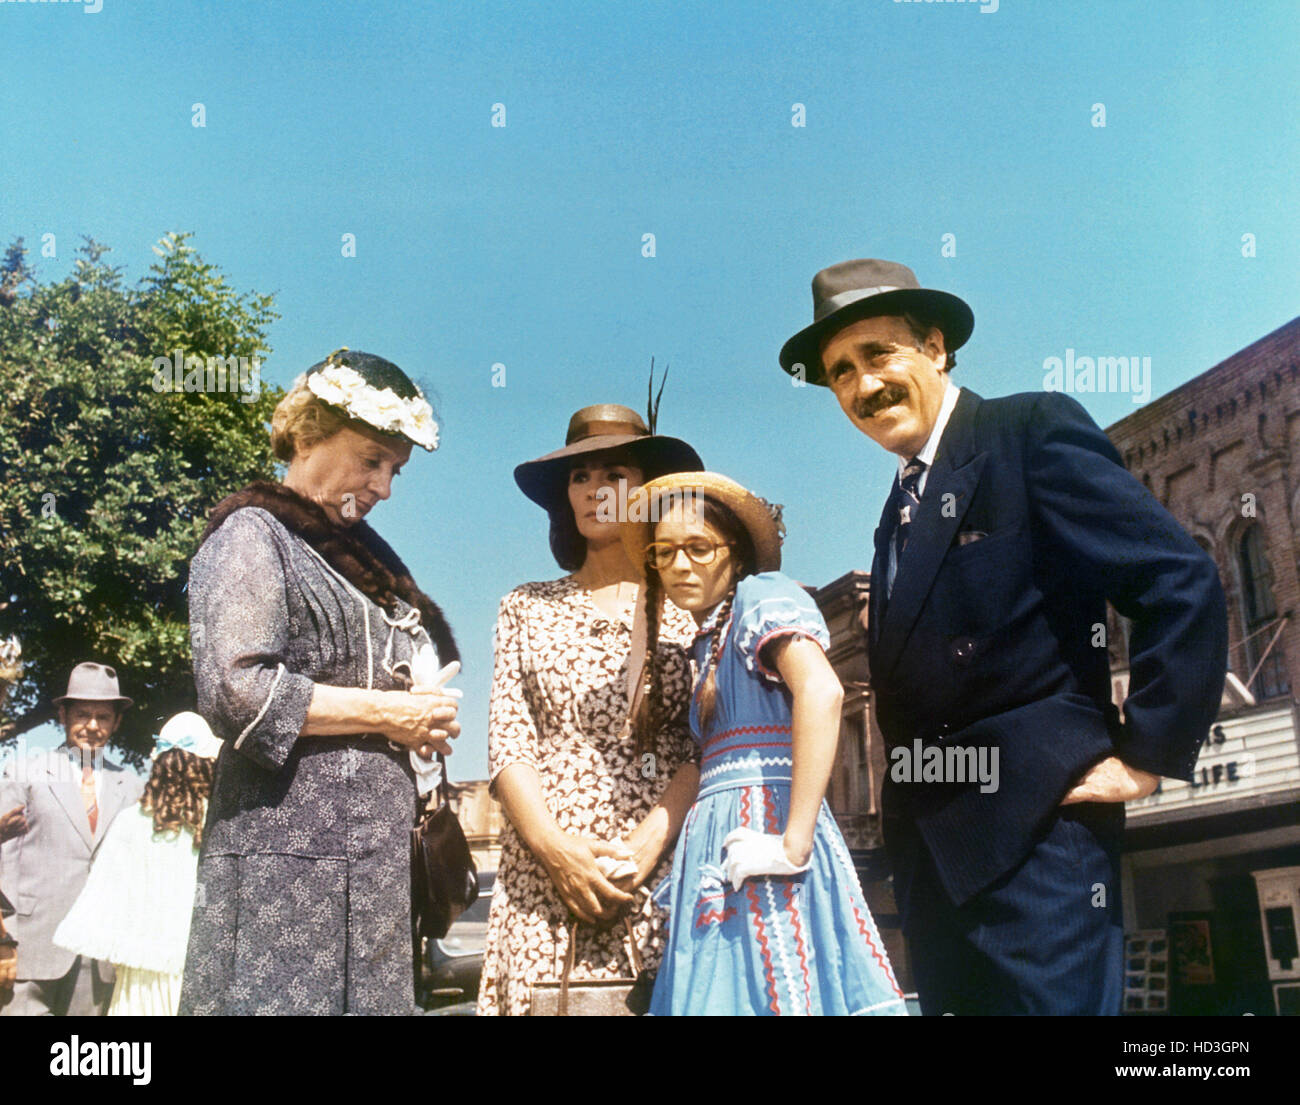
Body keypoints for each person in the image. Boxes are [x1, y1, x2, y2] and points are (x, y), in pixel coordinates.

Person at [779, 258, 1229, 1014]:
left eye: (880, 354)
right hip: (935, 864)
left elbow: (1180, 579)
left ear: (936, 345)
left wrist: (1145, 755)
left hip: (1038, 850)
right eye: (840, 372)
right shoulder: (897, 511)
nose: (862, 387)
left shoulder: (1028, 433)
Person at [178, 348, 462, 1016]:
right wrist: (390, 713)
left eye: (395, 468)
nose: (385, 485)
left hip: (372, 875)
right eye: (371, 458)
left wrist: (421, 722)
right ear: (308, 434)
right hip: (282, 872)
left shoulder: (363, 567)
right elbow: (236, 689)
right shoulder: (253, 535)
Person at [622, 472, 906, 1016]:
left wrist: (793, 843)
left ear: (735, 553)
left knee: (777, 986)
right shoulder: (707, 640)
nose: (680, 565)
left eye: (699, 548)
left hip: (765, 824)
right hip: (721, 838)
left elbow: (822, 691)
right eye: (665, 552)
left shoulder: (759, 596)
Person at [478, 403, 705, 1016]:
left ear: (649, 491)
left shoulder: (695, 610)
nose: (595, 490)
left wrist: (648, 844)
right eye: (580, 476)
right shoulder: (526, 606)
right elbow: (509, 742)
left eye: (615, 473)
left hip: (666, 872)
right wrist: (556, 852)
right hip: (545, 883)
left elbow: (706, 745)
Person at [54, 712, 222, 1016]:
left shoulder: (131, 822)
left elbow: (108, 892)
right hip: (200, 966)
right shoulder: (217, 824)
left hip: (140, 971)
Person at [0, 662, 144, 1016]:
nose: (92, 726)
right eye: (82, 714)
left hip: (98, 954)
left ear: (116, 722)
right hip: (29, 949)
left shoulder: (134, 787)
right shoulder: (24, 773)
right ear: (63, 715)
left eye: (103, 716)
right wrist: (4, 938)